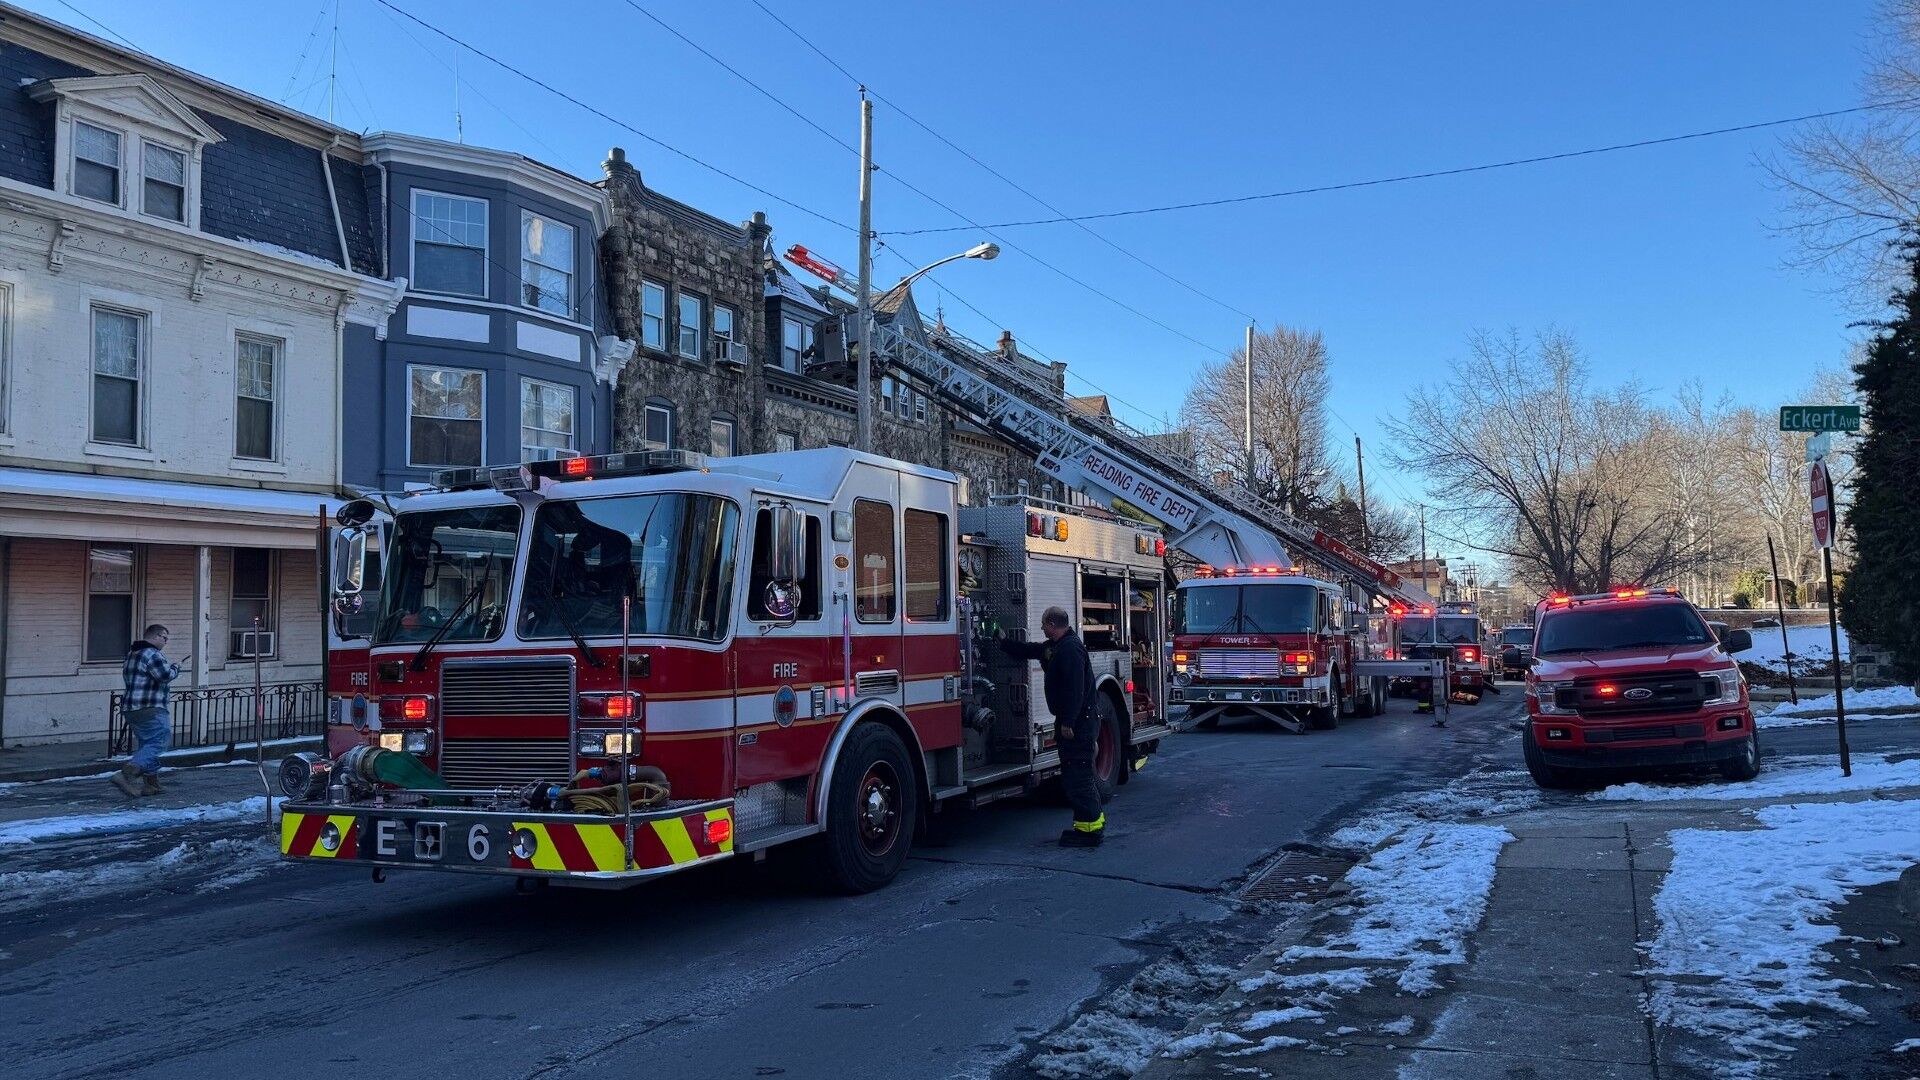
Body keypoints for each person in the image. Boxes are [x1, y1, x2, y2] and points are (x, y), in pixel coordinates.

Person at [1000, 607, 1104, 847]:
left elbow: (1075, 690)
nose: (1041, 628)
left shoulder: (1070, 650)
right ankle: (1087, 826)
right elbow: (1032, 650)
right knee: (1074, 776)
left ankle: (1090, 832)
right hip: (1075, 721)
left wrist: (1068, 722)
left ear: (1052, 624)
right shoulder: (1057, 647)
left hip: (1079, 724)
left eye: (1044, 624)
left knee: (1079, 777)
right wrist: (1004, 642)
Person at [113, 624, 183, 798]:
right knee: (159, 741)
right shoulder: (152, 654)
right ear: (155, 636)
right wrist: (176, 668)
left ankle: (151, 784)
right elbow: (164, 676)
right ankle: (126, 774)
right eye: (164, 638)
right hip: (150, 707)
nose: (166, 642)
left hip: (131, 707)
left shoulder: (132, 654)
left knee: (147, 744)